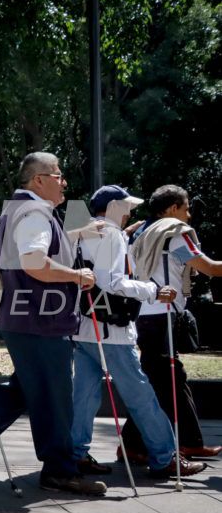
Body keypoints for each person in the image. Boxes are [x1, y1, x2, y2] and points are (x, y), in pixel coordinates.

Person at [0, 152, 108, 496]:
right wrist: (77, 275)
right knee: (54, 396)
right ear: (39, 180)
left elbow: (33, 250)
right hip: (40, 319)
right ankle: (59, 471)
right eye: (58, 174)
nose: (64, 181)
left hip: (26, 317)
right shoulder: (35, 213)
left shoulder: (19, 210)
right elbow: (34, 262)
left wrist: (77, 234)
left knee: (27, 386)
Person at [69, 185, 206, 479]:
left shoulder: (83, 233)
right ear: (115, 207)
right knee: (142, 396)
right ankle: (164, 457)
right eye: (127, 205)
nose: (131, 210)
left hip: (84, 326)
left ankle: (74, 454)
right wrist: (153, 290)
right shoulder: (113, 235)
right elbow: (114, 281)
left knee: (84, 396)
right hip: (113, 330)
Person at [120, 185, 222, 460]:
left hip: (143, 314)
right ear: (172, 208)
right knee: (163, 380)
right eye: (186, 208)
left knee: (168, 379)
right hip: (163, 314)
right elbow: (210, 268)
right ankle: (133, 444)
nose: (188, 216)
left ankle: (182, 441)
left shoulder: (140, 232)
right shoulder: (174, 235)